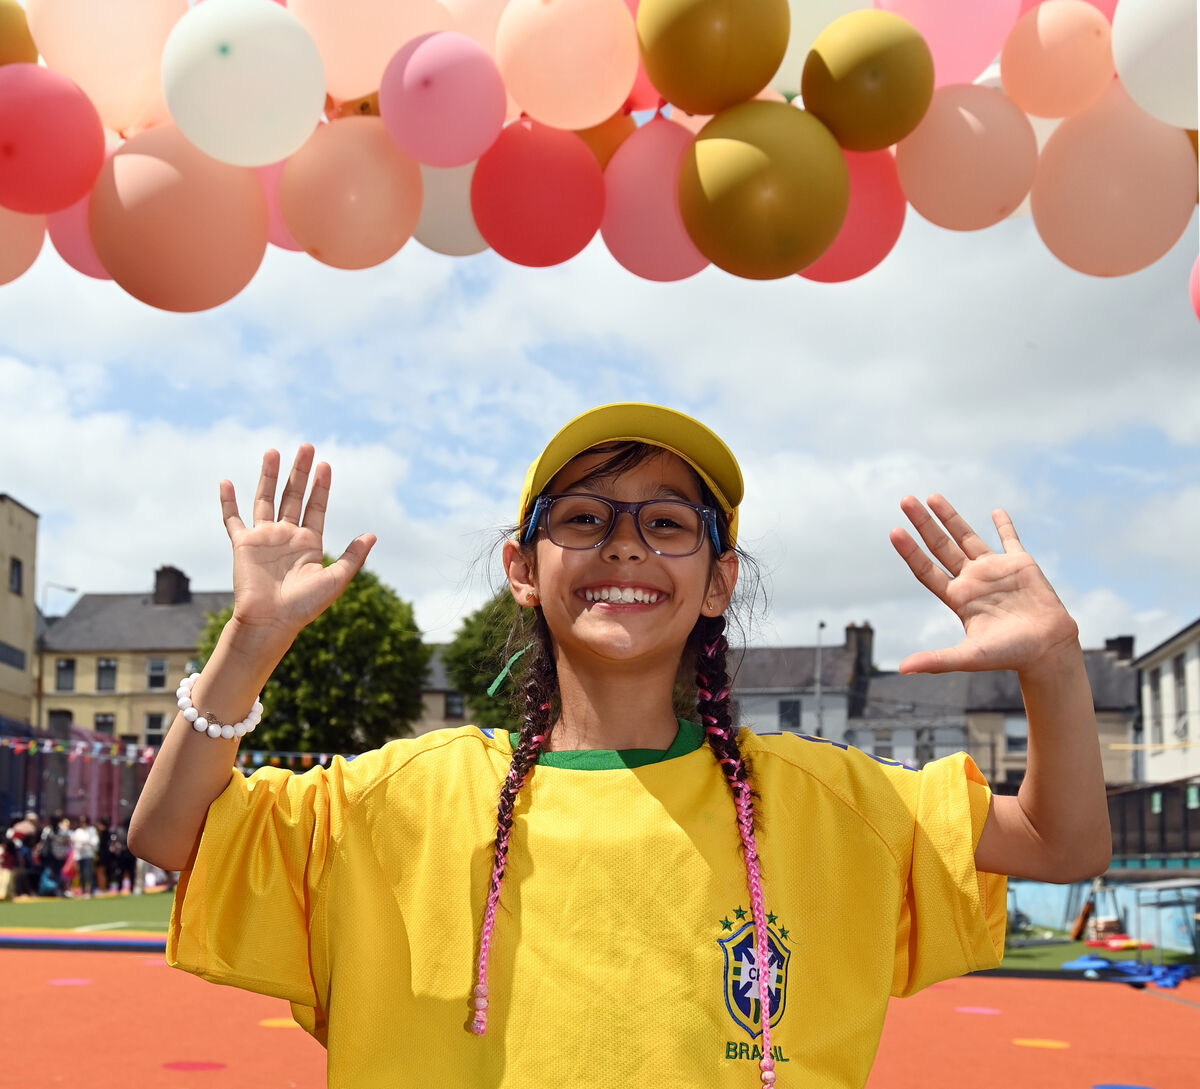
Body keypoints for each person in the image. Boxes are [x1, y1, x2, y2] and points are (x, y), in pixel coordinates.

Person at [130, 403, 1110, 1088]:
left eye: (668, 523)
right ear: (523, 568)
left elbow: (1062, 846)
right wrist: (250, 641)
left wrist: (1055, 664)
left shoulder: (828, 799)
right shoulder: (406, 795)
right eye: (586, 518)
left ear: (718, 580)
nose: (626, 546)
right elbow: (172, 834)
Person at [70, 815, 99, 897]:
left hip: (88, 854)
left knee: (88, 873)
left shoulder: (91, 830)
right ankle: (83, 890)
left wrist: (86, 843)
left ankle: (91, 891)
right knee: (81, 874)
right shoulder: (78, 831)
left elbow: (94, 842)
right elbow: (74, 841)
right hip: (80, 855)